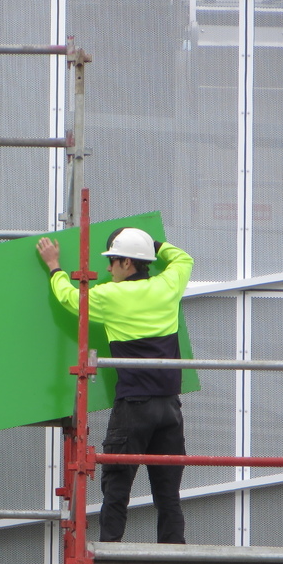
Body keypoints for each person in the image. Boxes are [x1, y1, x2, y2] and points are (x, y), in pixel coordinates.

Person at [36, 227, 194, 544]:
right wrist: (154, 244)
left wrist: (54, 266)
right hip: (170, 409)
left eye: (111, 261)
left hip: (134, 407)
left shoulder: (110, 296)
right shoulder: (168, 286)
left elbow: (69, 298)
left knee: (117, 486)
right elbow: (182, 258)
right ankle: (174, 559)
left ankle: (108, 553)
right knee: (168, 493)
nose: (107, 269)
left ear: (126, 263)